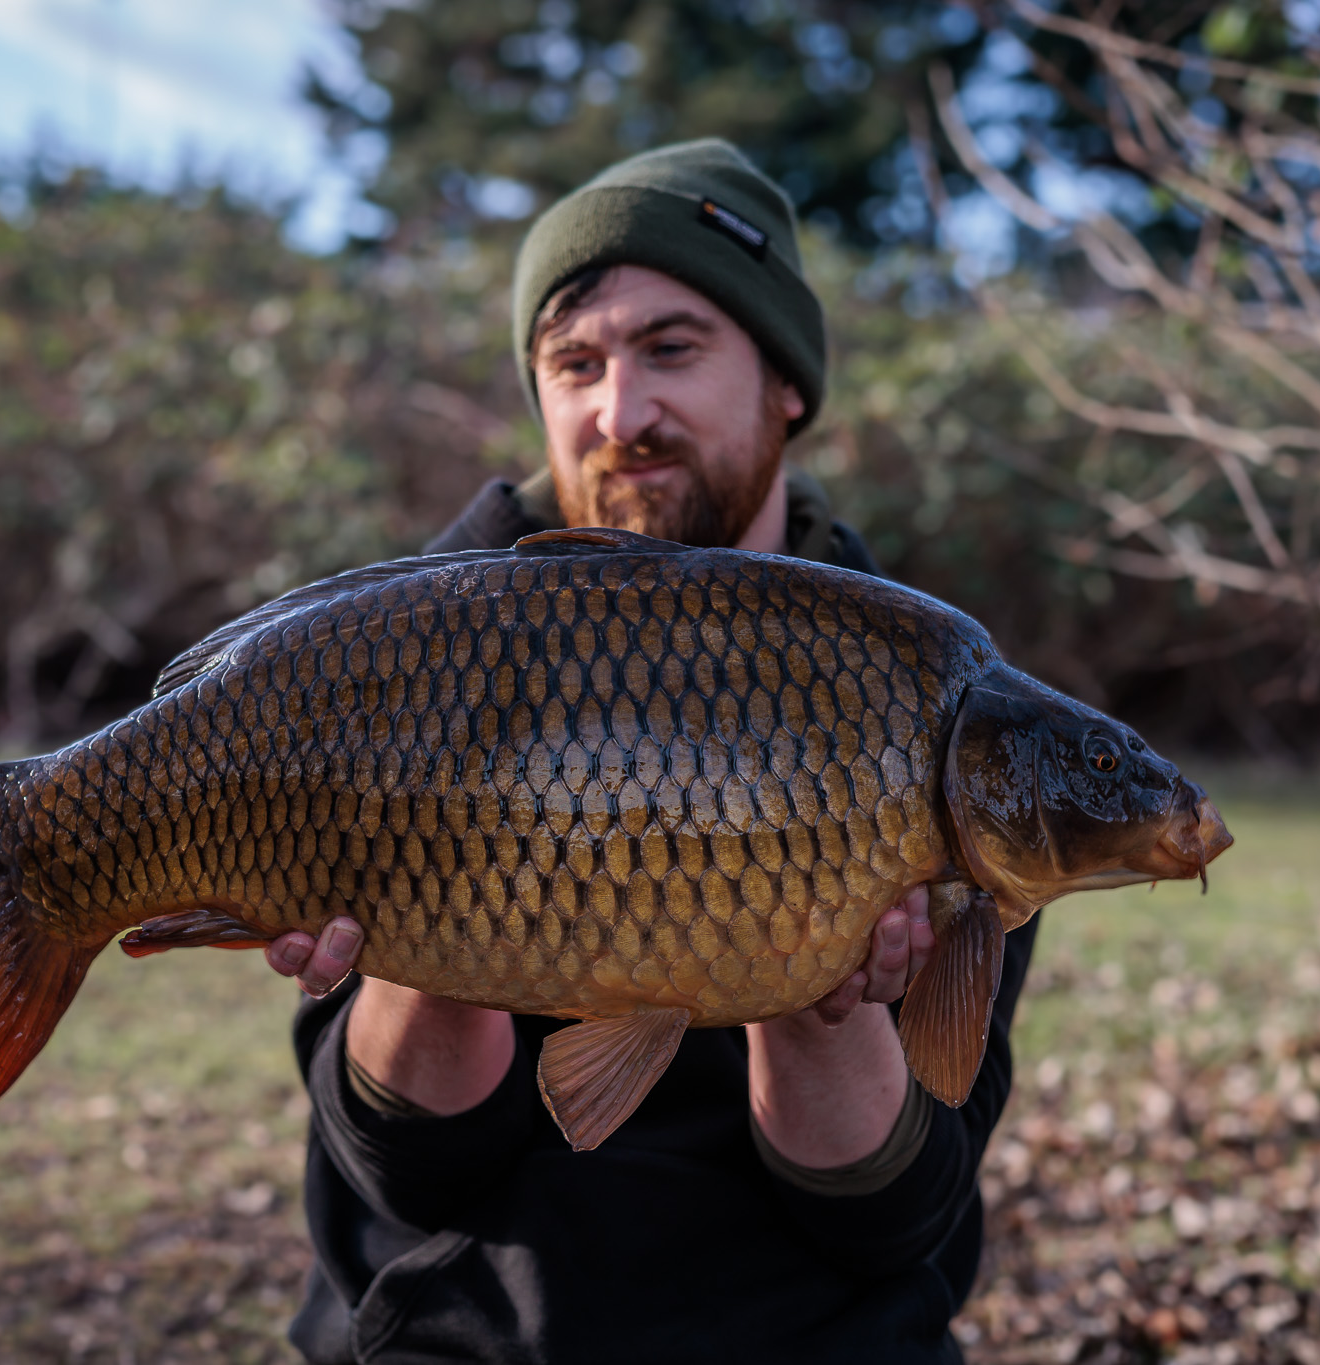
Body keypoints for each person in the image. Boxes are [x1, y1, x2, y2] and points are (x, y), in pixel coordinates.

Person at [260, 139, 1038, 1364]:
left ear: (784, 379)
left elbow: (895, 1222)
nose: (621, 414)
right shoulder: (395, 657)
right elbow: (405, 1181)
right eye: (574, 364)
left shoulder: (929, 700)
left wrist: (812, 995)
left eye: (671, 349)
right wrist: (426, 944)